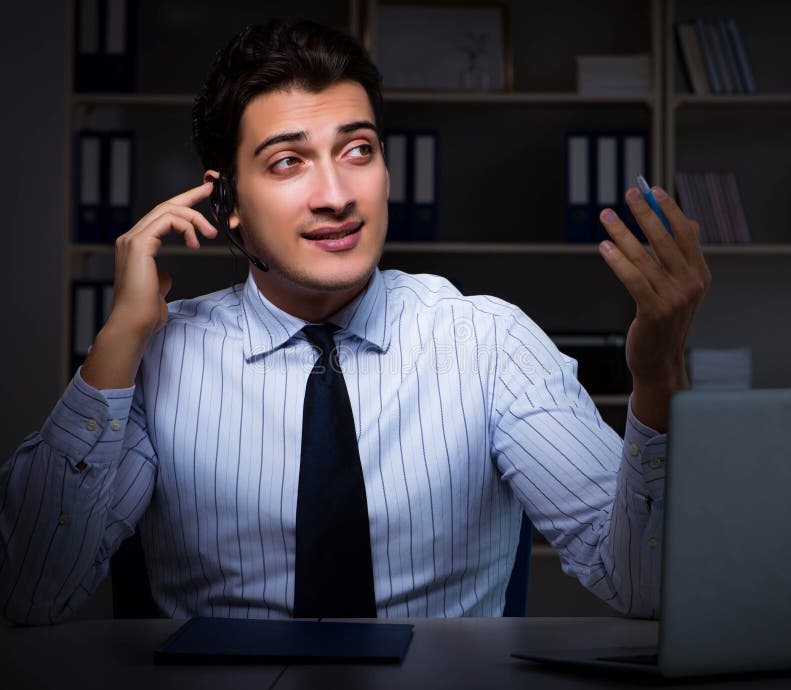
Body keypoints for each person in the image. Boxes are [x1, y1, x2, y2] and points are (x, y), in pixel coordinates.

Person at [0, 20, 710, 625]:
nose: (336, 194)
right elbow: (28, 593)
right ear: (229, 204)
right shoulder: (159, 359)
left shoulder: (491, 343)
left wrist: (657, 376)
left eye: (358, 150)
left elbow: (643, 588)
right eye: (288, 162)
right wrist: (118, 340)